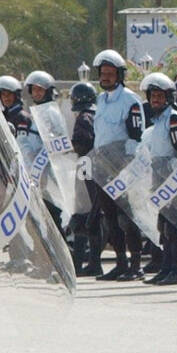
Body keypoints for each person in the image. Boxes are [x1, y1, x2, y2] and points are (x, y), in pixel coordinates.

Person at [90, 49, 145, 282]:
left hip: (122, 167)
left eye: (111, 74)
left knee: (127, 217)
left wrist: (127, 171)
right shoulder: (100, 100)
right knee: (109, 217)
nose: (106, 77)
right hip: (102, 166)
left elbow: (136, 137)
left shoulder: (130, 100)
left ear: (119, 75)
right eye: (103, 73)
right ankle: (120, 263)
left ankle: (136, 264)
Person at [142, 76, 177, 286]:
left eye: (160, 96)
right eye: (153, 96)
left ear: (168, 98)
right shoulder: (158, 121)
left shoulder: (173, 119)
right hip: (158, 175)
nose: (156, 100)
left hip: (172, 178)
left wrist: (172, 177)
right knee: (163, 225)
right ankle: (166, 266)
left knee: (174, 226)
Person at [69, 81, 103, 276]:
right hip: (96, 166)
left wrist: (70, 148)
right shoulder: (98, 115)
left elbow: (82, 143)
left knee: (83, 214)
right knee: (94, 215)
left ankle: (81, 263)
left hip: (85, 166)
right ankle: (93, 262)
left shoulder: (83, 117)